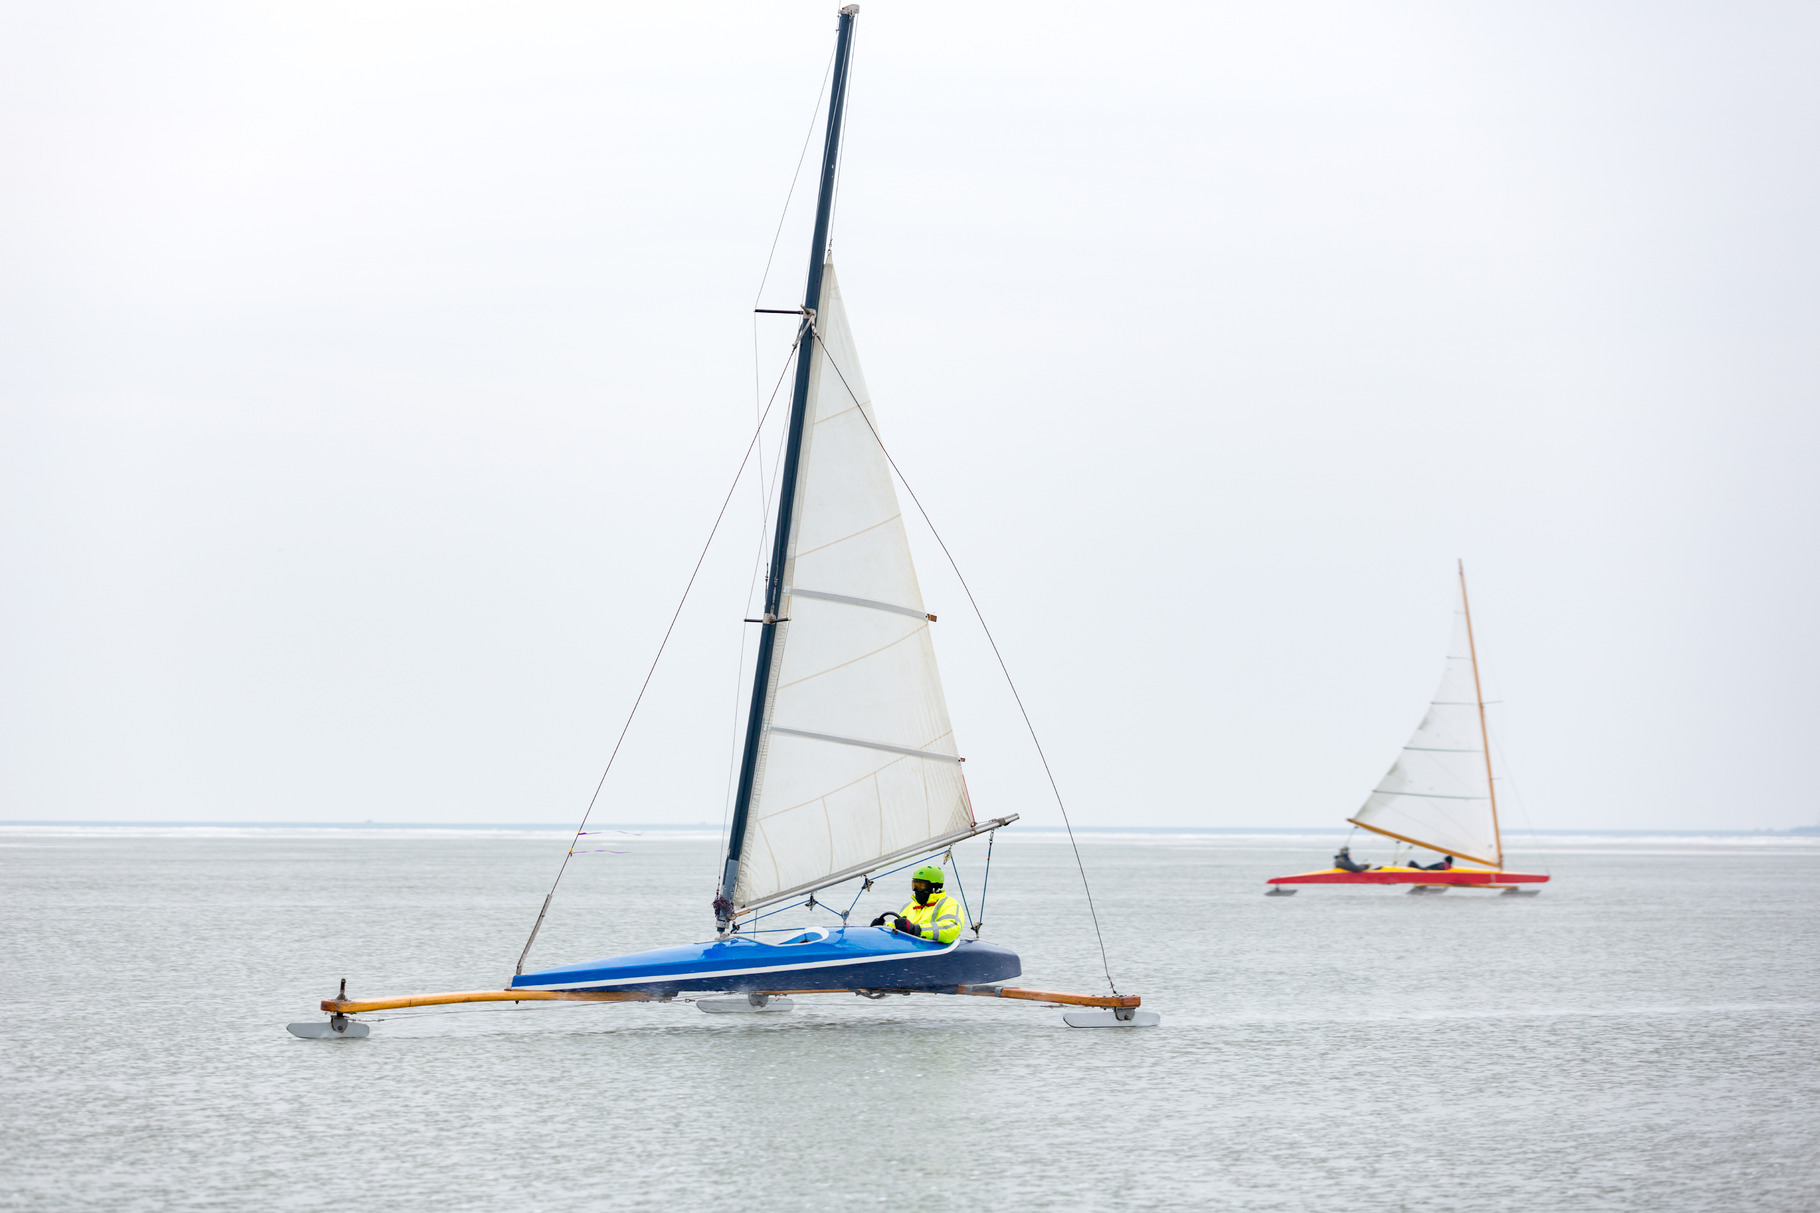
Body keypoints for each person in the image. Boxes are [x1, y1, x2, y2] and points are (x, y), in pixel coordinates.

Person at [869, 865, 964, 944]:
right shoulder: (909, 906)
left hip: (932, 953)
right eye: (914, 885)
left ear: (934, 887)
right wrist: (882, 927)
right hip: (910, 950)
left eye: (921, 886)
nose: (916, 890)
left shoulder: (949, 903)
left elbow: (951, 928)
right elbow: (899, 925)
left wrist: (916, 929)